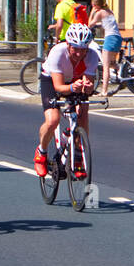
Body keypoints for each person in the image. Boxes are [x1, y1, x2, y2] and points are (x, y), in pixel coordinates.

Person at [33, 23, 99, 178]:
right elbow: (58, 86)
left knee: (82, 113)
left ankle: (77, 157)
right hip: (52, 81)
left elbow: (88, 88)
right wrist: (72, 88)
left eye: (83, 49)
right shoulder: (57, 52)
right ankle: (41, 151)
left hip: (74, 80)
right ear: (68, 44)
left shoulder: (92, 55)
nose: (79, 53)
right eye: (75, 48)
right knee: (53, 119)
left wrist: (88, 87)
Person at [88, 0, 123, 96]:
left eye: (93, 6)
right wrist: (100, 24)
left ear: (96, 6)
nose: (93, 7)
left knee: (106, 66)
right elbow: (108, 23)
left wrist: (91, 13)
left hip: (110, 38)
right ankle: (123, 73)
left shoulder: (100, 13)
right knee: (112, 64)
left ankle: (104, 91)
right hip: (117, 38)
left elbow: (89, 24)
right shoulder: (109, 11)